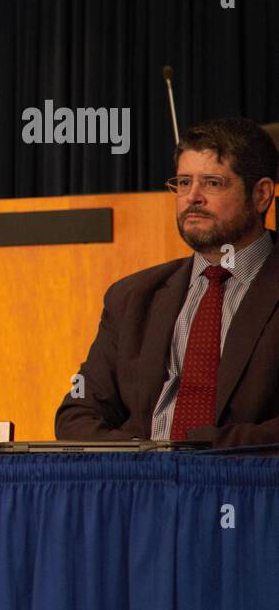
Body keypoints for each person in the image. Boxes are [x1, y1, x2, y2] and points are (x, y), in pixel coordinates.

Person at [56, 117, 279, 447]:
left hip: (247, 487)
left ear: (261, 194)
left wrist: (199, 452)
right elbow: (78, 412)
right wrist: (145, 460)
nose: (192, 197)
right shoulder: (132, 297)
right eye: (184, 182)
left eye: (213, 183)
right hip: (142, 486)